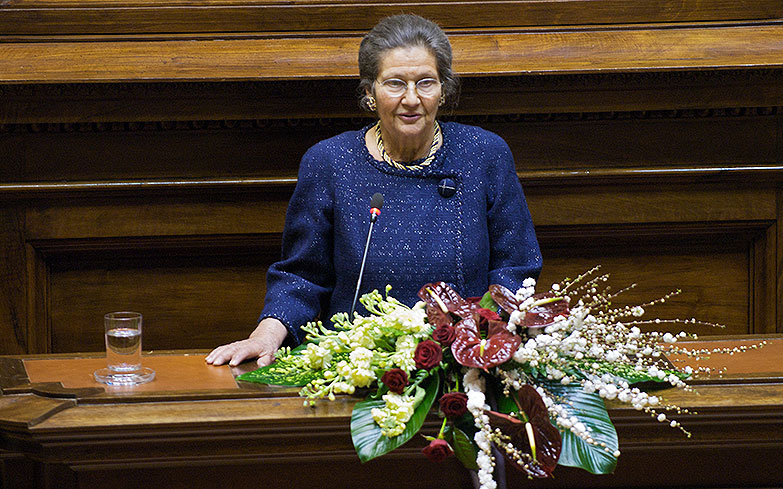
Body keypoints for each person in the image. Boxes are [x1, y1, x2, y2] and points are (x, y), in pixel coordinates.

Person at [206, 14, 541, 367]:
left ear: (444, 90)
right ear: (370, 92)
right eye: (395, 83)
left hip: (463, 363)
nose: (411, 99)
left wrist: (487, 341)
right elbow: (303, 275)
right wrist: (265, 336)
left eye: (426, 82)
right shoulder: (330, 161)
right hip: (359, 363)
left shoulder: (483, 153)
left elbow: (516, 267)